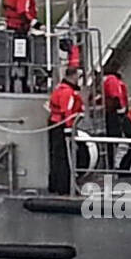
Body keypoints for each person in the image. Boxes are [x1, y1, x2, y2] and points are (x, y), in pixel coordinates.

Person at [47, 66, 84, 194]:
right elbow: (67, 111)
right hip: (61, 126)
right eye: (79, 77)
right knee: (64, 157)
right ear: (73, 76)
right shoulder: (67, 92)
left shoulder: (60, 89)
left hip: (56, 123)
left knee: (57, 156)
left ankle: (56, 184)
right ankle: (64, 186)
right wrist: (69, 128)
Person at [101, 68, 129, 168]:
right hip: (116, 113)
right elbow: (118, 97)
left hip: (113, 113)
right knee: (114, 138)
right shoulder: (115, 81)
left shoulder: (110, 80)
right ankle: (112, 163)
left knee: (113, 139)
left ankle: (111, 162)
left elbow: (115, 97)